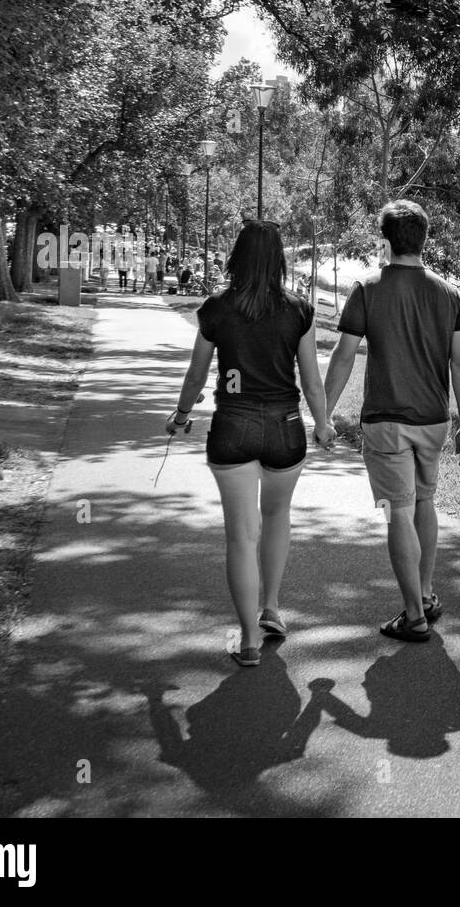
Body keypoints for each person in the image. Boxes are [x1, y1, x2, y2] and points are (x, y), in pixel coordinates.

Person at [167, 220, 337, 668]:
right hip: (285, 426)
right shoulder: (299, 311)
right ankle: (272, 609)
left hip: (233, 426)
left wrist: (180, 416)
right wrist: (322, 425)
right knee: (276, 516)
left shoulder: (216, 309)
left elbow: (195, 376)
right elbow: (311, 382)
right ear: (279, 260)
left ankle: (247, 641)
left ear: (236, 258)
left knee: (241, 537)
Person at [323, 199, 460, 643]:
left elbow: (344, 356)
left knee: (398, 514)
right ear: (424, 240)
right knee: (425, 503)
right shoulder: (450, 295)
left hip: (387, 422)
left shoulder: (367, 289)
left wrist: (323, 413)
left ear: (386, 243)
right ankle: (425, 596)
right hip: (433, 421)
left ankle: (414, 617)